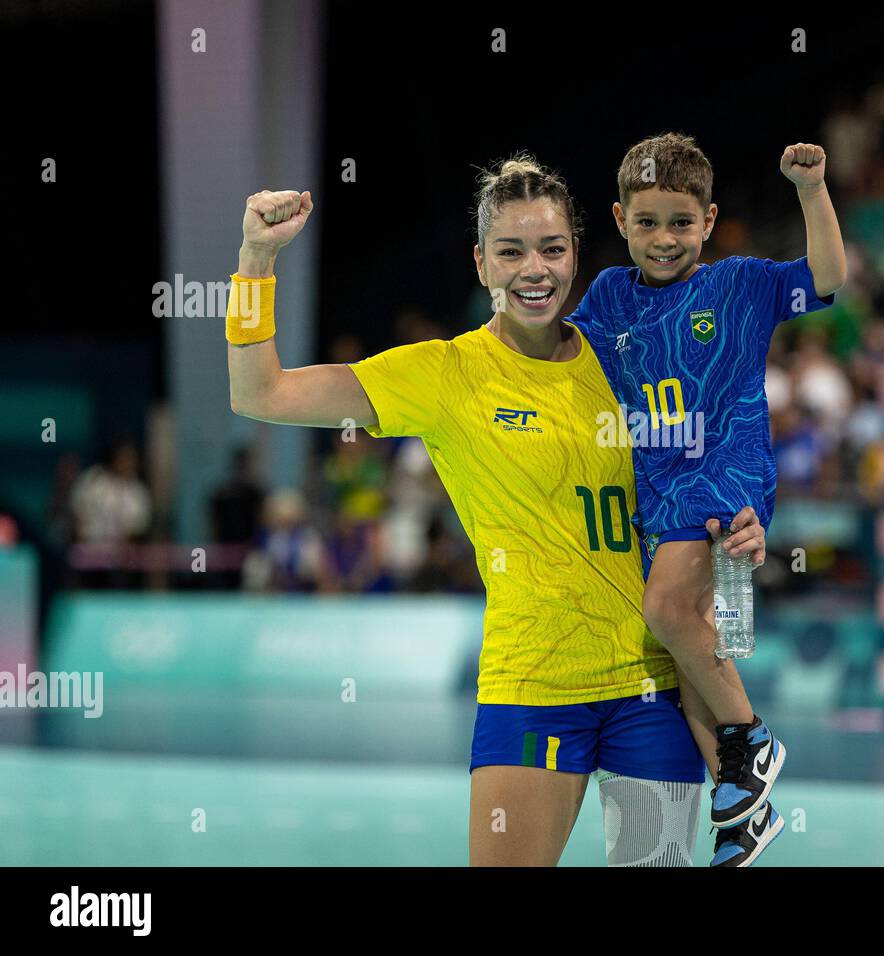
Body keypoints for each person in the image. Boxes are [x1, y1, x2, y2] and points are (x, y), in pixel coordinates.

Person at [224, 158, 767, 866]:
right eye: (510, 252)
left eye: (551, 249)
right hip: (531, 686)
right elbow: (260, 394)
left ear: (575, 254)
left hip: (654, 690)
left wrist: (739, 522)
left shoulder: (626, 357)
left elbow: (696, 469)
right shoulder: (444, 374)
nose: (533, 270)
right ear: (481, 263)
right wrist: (257, 259)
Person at [568, 133, 846, 863]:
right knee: (689, 656)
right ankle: (745, 815)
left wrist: (811, 191)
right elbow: (564, 363)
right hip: (655, 494)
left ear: (709, 220)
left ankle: (752, 739)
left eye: (681, 222)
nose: (665, 238)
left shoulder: (740, 285)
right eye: (648, 222)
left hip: (724, 476)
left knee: (664, 610)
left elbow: (827, 278)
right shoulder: (609, 296)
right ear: (621, 219)